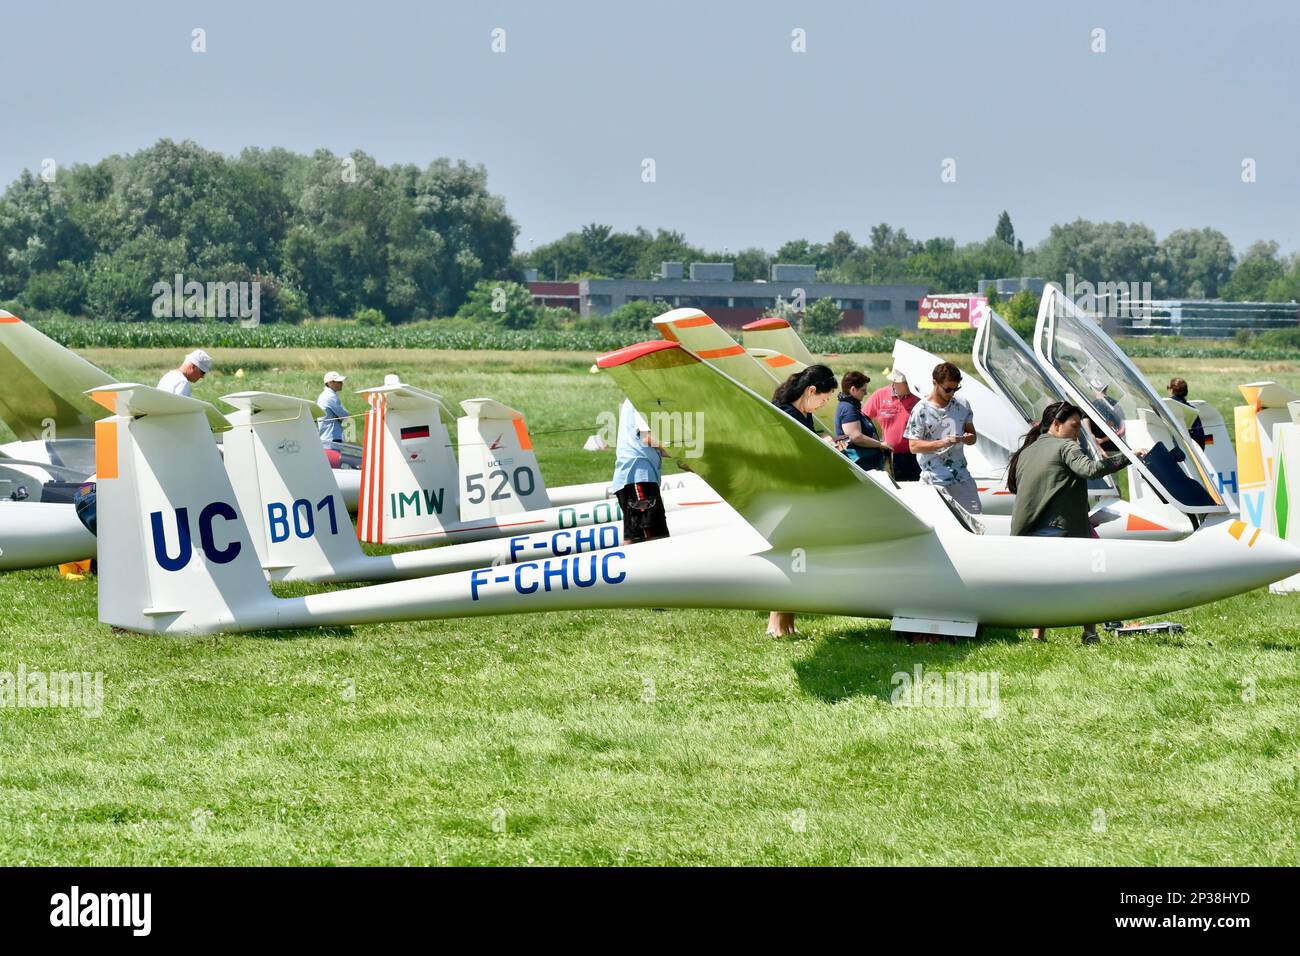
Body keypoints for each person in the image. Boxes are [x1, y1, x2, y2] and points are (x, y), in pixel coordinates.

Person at [1007, 400, 1138, 644]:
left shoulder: (1027, 451)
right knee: (1088, 581)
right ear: (1056, 425)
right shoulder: (1066, 446)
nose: (1077, 432)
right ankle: (1090, 633)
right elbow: (1090, 469)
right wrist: (1128, 457)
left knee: (1042, 586)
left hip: (1029, 533)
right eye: (1075, 426)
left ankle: (1038, 635)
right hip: (1063, 531)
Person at [768, 364, 842, 637]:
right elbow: (789, 453)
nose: (823, 404)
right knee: (792, 558)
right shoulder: (788, 415)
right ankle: (778, 624)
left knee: (795, 558)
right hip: (789, 494)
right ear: (811, 391)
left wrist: (824, 442)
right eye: (823, 399)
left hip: (799, 493)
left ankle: (784, 622)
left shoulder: (802, 414)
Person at [904, 362, 981, 514]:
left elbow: (973, 437)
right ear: (935, 383)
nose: (952, 393)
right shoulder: (920, 410)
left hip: (962, 477)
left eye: (956, 388)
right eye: (948, 389)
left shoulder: (962, 404)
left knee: (977, 520)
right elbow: (913, 447)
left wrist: (967, 438)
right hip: (934, 480)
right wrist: (943, 443)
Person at [612, 399, 669, 546]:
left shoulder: (636, 398)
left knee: (636, 535)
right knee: (653, 536)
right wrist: (677, 451)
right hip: (638, 476)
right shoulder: (638, 399)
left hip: (636, 477)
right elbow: (647, 438)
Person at [864, 367, 920, 481]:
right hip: (890, 455)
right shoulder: (880, 395)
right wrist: (873, 441)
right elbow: (863, 418)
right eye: (904, 382)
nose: (908, 385)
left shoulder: (917, 397)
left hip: (916, 455)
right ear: (894, 381)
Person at [835, 371, 890, 471]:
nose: (865, 393)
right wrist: (880, 444)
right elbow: (856, 437)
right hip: (861, 464)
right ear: (853, 389)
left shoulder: (851, 406)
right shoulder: (848, 408)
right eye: (863, 390)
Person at [1087, 377, 1126, 452]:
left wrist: (1100, 441)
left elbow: (1086, 430)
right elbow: (1122, 430)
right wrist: (1103, 440)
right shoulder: (1116, 405)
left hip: (1098, 451)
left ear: (1093, 388)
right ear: (1106, 387)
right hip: (1115, 449)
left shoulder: (1091, 406)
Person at [1167, 377, 1206, 449]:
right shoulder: (1192, 411)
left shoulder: (1164, 406)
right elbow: (1199, 439)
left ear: (1171, 390)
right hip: (1187, 450)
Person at [317, 371, 349, 444]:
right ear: (330, 383)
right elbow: (345, 416)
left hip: (327, 437)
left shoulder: (325, 395)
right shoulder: (330, 396)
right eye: (339, 382)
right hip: (332, 438)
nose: (342, 383)